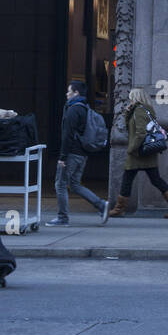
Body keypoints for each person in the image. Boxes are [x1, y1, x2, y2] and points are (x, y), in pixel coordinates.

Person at [110, 88, 168, 218]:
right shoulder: (142, 110)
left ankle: (119, 209)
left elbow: (140, 133)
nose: (129, 99)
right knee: (155, 180)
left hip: (138, 152)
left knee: (128, 180)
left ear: (136, 97)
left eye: (131, 97)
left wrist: (132, 148)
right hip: (146, 153)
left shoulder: (139, 110)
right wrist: (128, 113)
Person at [46, 80, 109, 226]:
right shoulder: (85, 108)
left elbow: (67, 135)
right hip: (82, 153)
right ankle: (100, 205)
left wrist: (63, 157)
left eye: (69, 91)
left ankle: (62, 218)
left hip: (72, 153)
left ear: (76, 93)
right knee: (74, 184)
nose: (67, 94)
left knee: (60, 184)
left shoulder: (73, 109)